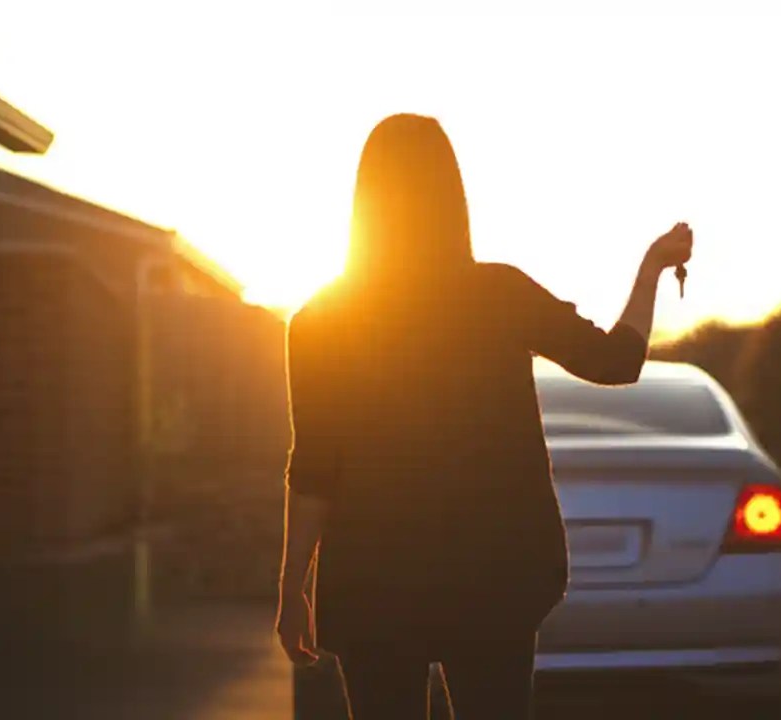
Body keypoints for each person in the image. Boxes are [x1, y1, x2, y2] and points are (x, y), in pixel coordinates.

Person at [275, 113, 694, 719]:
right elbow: (618, 362)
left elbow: (314, 468)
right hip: (495, 575)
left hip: (375, 583)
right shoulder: (501, 295)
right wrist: (652, 267)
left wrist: (292, 589)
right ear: (452, 197)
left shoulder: (320, 321)